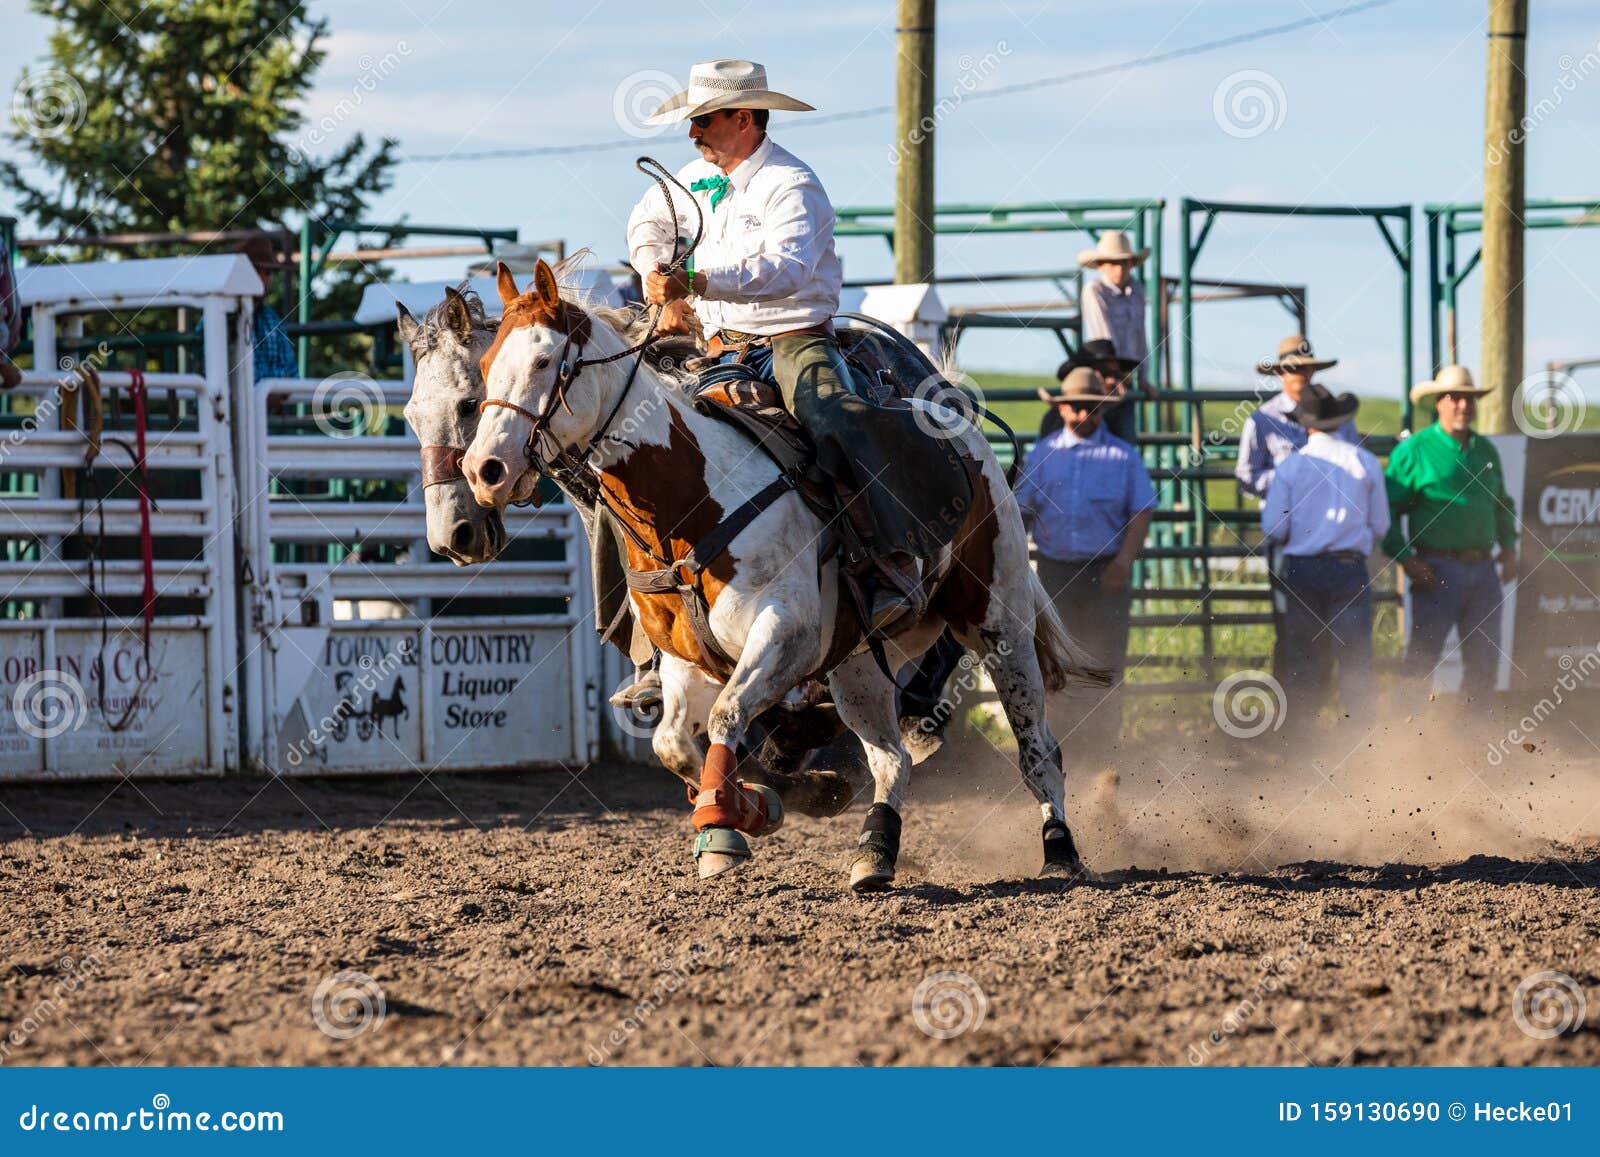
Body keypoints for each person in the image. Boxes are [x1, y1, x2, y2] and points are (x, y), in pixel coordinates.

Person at [627, 59, 971, 632]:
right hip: (716, 344)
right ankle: (642, 610)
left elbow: (785, 271)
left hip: (792, 337)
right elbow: (646, 226)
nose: (693, 133)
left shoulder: (793, 184)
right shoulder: (688, 180)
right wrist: (654, 273)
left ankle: (886, 560)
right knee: (634, 432)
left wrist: (695, 283)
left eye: (703, 120)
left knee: (834, 414)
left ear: (743, 118)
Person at [1016, 367, 1157, 757]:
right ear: (1062, 409)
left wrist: (1124, 561)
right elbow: (1022, 512)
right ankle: (1061, 742)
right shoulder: (1044, 454)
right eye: (1075, 407)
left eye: (1090, 407)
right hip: (1054, 571)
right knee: (1055, 660)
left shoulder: (1122, 456)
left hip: (1105, 571)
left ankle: (1104, 744)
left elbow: (1141, 511)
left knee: (1106, 658)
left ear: (1101, 410)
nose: (1081, 414)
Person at [1381, 365, 1519, 700]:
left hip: (1483, 569)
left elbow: (1501, 503)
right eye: (1454, 397)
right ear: (1438, 403)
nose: (1463, 405)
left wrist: (1510, 546)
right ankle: (1400, 740)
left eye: (1469, 398)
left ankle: (1475, 742)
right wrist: (1406, 560)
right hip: (1436, 568)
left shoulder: (1485, 450)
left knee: (1484, 662)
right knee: (1422, 660)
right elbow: (1383, 512)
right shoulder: (1414, 451)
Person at [1261, 385, 1389, 726]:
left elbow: (1274, 528)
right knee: (1355, 662)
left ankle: (1301, 745)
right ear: (1338, 421)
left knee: (1303, 661)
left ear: (1306, 426)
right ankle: (1360, 747)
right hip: (1348, 569)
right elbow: (1380, 525)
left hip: (1303, 571)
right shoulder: (1364, 461)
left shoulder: (1291, 467)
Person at [1077, 231, 1153, 444]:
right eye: (1112, 263)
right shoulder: (1094, 290)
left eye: (1124, 263)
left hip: (1125, 379)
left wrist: (1144, 378)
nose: (1119, 269)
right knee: (1099, 442)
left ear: (1131, 264)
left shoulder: (1137, 290)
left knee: (1123, 443)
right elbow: (1103, 334)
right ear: (1101, 265)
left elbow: (1140, 335)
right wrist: (1112, 372)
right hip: (1103, 380)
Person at [1036, 339, 1139, 440]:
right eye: (1104, 372)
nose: (1111, 380)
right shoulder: (1058, 417)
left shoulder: (1122, 407)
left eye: (1117, 375)